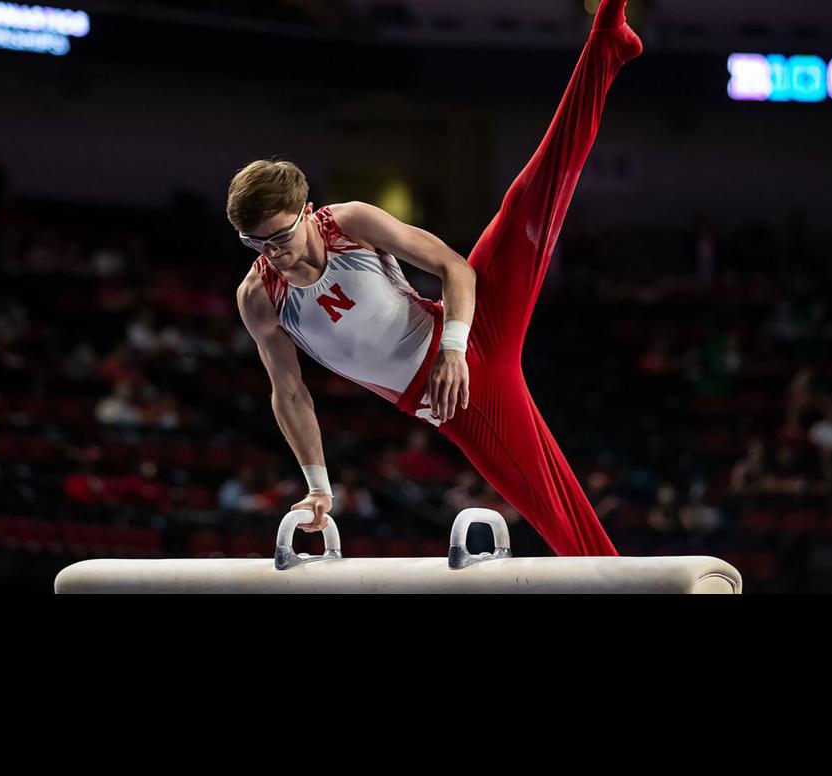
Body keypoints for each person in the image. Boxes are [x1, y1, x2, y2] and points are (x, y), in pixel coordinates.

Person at [229, 0, 644, 555]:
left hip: (462, 339)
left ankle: (606, 44)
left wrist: (454, 348)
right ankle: (622, 584)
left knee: (529, 199)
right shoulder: (260, 298)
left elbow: (454, 267)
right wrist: (318, 487)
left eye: (279, 236)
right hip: (453, 399)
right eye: (254, 243)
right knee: (548, 504)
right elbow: (290, 392)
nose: (270, 252)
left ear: (307, 211)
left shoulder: (349, 222)